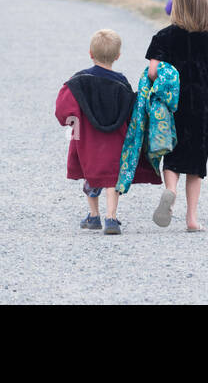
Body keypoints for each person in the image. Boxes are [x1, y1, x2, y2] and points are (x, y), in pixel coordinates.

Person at [55, 29, 157, 235]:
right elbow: (131, 113)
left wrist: (69, 121)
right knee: (112, 177)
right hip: (114, 141)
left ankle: (94, 216)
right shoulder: (122, 84)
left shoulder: (78, 82)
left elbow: (63, 110)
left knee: (91, 175)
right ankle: (111, 218)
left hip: (87, 141)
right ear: (118, 56)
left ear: (90, 53)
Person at [145, 0, 208, 231]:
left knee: (173, 155)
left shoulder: (163, 37)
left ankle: (170, 191)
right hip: (201, 107)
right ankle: (192, 219)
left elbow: (153, 72)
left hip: (172, 106)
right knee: (196, 164)